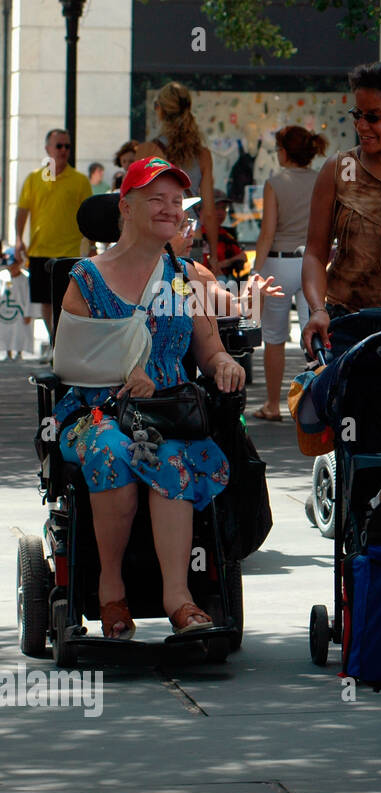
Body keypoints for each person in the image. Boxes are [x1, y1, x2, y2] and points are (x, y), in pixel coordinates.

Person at [51, 158, 268, 638]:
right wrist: (124, 374)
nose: (171, 210)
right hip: (95, 413)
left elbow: (208, 349)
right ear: (125, 208)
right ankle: (110, 591)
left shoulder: (183, 276)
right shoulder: (86, 279)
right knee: (111, 451)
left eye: (176, 202)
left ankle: (179, 598)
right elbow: (70, 363)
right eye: (157, 200)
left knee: (169, 456)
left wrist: (223, 364)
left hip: (164, 414)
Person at [299, 62, 381, 356]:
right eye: (357, 115)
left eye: (373, 117)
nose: (361, 126)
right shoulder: (341, 168)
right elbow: (314, 251)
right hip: (345, 323)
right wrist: (317, 310)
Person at [249, 125, 325, 422]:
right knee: (316, 335)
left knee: (275, 337)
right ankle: (318, 404)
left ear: (284, 152)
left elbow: (267, 233)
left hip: (278, 263)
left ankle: (272, 404)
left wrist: (255, 272)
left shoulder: (275, 182)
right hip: (312, 261)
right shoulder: (321, 180)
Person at [15, 129, 93, 343]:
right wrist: (19, 239)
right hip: (40, 250)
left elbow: (88, 216)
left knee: (67, 301)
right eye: (59, 146)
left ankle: (63, 346)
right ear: (47, 148)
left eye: (67, 146)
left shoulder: (80, 180)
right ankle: (55, 344)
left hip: (69, 253)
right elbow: (23, 210)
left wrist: (93, 245)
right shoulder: (33, 179)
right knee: (46, 302)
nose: (63, 150)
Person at [138, 82, 223, 275]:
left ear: (159, 111)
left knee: (159, 301)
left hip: (157, 240)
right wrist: (215, 256)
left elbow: (137, 204)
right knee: (191, 302)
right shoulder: (202, 155)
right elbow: (208, 212)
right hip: (192, 239)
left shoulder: (148, 151)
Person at [208, 190, 246, 280]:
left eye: (224, 208)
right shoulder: (196, 233)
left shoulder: (225, 233)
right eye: (217, 208)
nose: (221, 213)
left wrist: (222, 264)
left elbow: (243, 256)